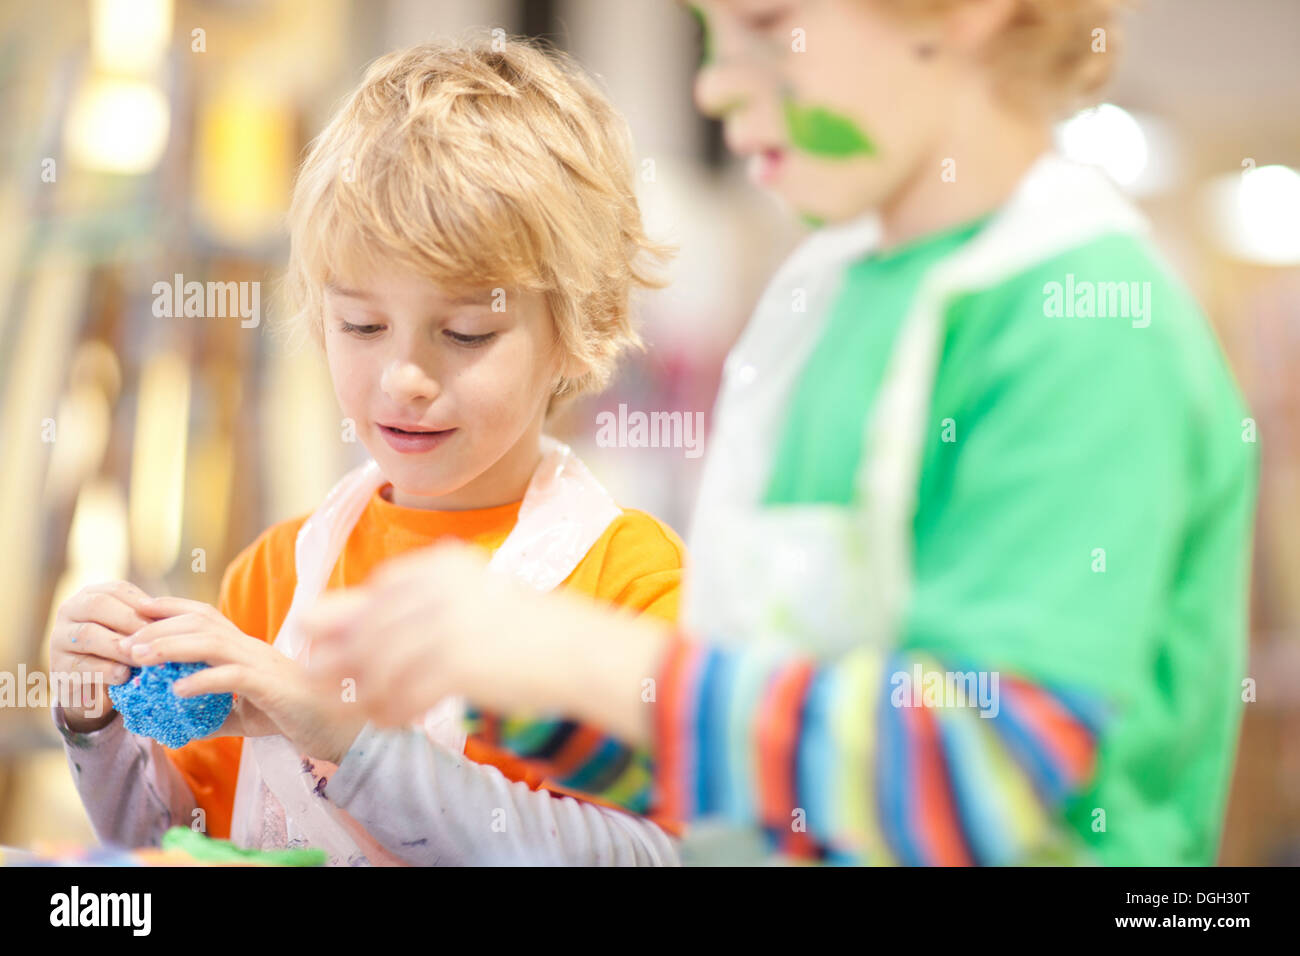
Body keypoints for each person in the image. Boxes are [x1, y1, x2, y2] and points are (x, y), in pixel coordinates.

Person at [303, 0, 1259, 865]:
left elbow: (979, 776)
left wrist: (586, 657)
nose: (715, 82)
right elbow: (758, 777)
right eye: (710, 33)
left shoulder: (1081, 324)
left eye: (766, 24)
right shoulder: (826, 306)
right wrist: (514, 689)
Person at [48, 37, 686, 866]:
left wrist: (346, 737)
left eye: (466, 332)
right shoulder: (276, 574)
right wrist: (95, 724)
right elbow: (186, 842)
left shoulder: (629, 585)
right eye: (362, 325)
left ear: (579, 330)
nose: (405, 377)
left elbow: (657, 857)